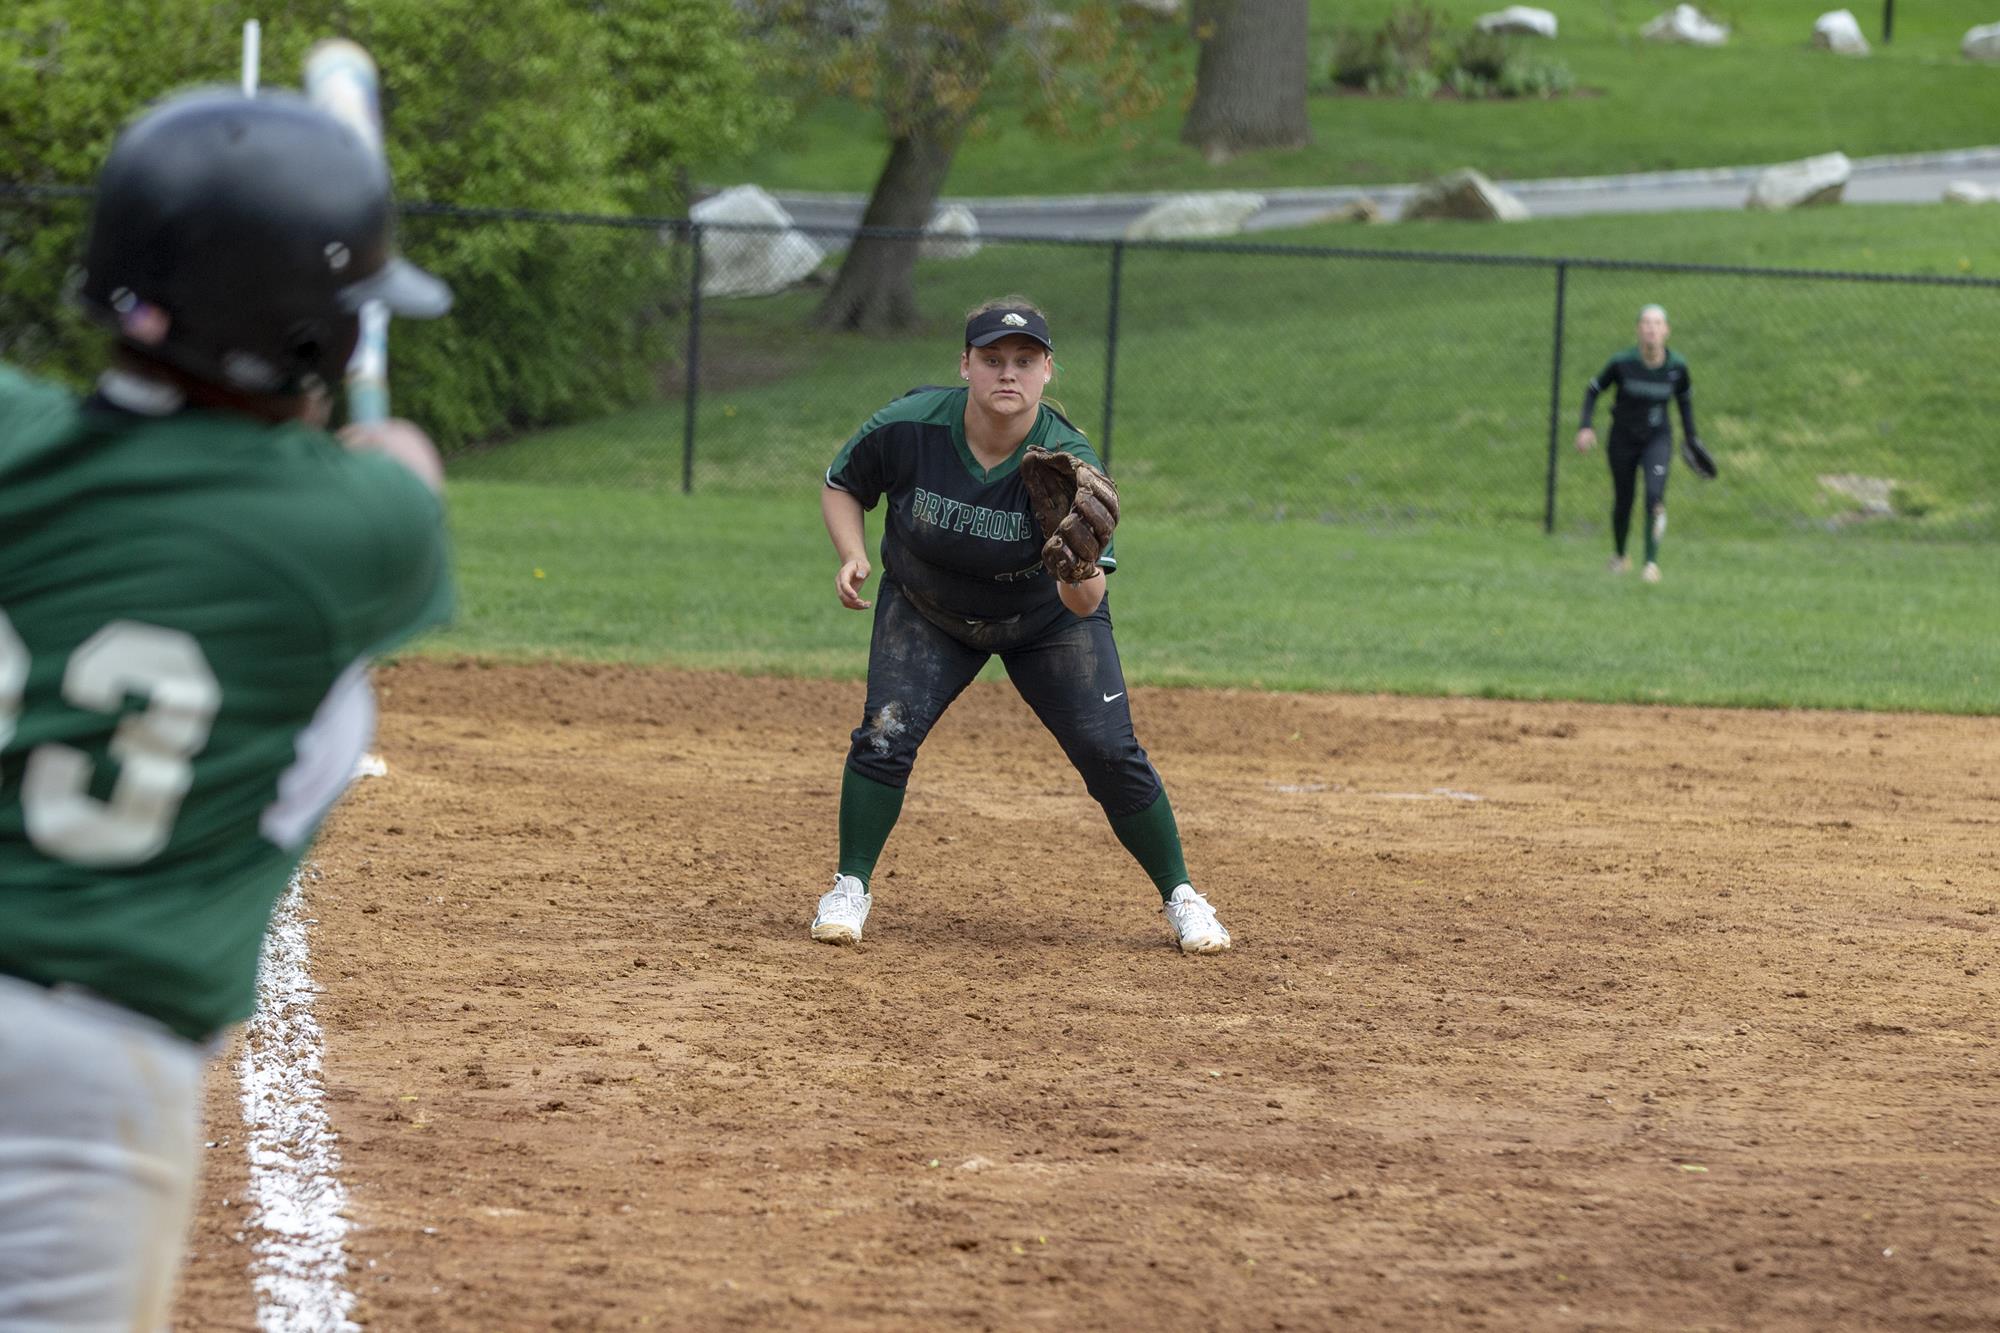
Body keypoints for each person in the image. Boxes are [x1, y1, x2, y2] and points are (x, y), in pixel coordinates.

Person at [0, 88, 453, 1328]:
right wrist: (380, 443)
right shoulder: (366, 529)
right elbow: (407, 477)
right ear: (311, 334)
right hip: (85, 1072)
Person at [811, 298, 1231, 955]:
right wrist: (853, 552)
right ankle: (849, 885)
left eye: (1025, 361)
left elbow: (1086, 603)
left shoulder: (1065, 458)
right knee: (884, 733)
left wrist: (1075, 563)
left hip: (1044, 619)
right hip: (929, 607)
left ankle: (1183, 895)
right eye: (993, 359)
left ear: (1047, 371)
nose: (1009, 373)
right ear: (966, 365)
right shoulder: (912, 424)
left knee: (1109, 751)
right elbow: (842, 482)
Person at [1575, 304, 1699, 583]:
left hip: (1657, 439)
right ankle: (1620, 557)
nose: (1651, 329)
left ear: (1666, 331)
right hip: (1622, 438)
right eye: (1645, 323)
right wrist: (1585, 426)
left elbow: (1685, 402)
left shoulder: (1677, 367)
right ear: (1638, 330)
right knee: (1624, 499)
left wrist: (1692, 439)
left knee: (1655, 497)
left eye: (1657, 323)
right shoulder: (1622, 363)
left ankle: (1651, 564)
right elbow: (1593, 390)